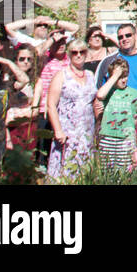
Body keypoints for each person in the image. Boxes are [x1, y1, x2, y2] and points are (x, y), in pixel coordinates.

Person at [46, 39, 96, 179]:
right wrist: (58, 130)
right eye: (74, 52)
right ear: (69, 54)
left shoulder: (91, 75)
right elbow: (51, 105)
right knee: (66, 171)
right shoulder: (61, 75)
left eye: (82, 52)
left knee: (84, 171)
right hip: (67, 134)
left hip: (87, 133)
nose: (79, 55)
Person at [95, 57, 137, 171]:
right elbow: (100, 95)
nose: (123, 80)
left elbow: (136, 118)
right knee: (107, 172)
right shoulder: (108, 91)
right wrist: (114, 76)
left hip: (125, 139)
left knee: (124, 172)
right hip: (108, 137)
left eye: (125, 76)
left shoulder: (134, 93)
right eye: (120, 77)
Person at [94, 23, 137, 94]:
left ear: (135, 36)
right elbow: (96, 90)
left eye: (128, 35)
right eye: (121, 37)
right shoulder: (107, 61)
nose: (124, 39)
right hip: (116, 104)